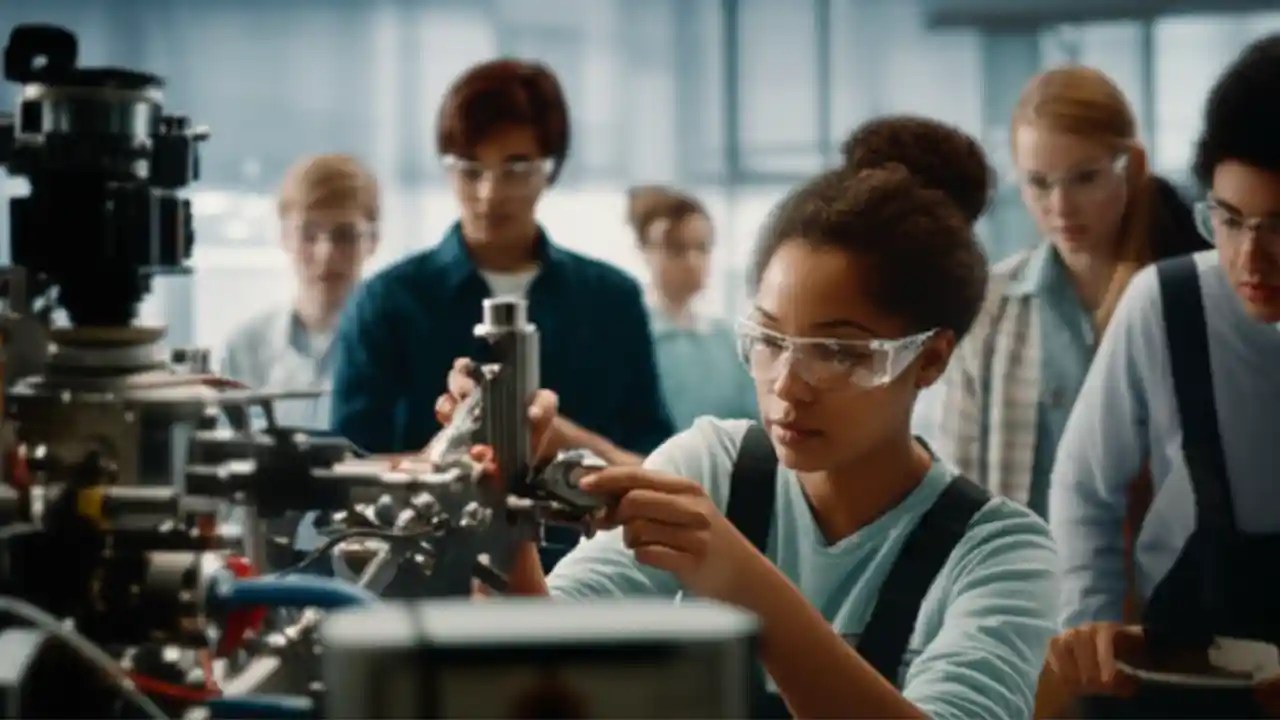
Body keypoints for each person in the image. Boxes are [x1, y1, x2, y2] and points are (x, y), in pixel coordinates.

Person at [440, 118, 1058, 719]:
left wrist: (741, 581)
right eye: (769, 339)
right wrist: (502, 525)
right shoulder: (712, 467)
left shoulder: (998, 554)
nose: (787, 385)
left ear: (930, 359)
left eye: (839, 352)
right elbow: (531, 669)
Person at [330, 58, 674, 573]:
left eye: (515, 168)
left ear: (549, 169)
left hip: (591, 580)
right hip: (423, 581)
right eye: (470, 169)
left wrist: (562, 439)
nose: (490, 193)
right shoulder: (388, 303)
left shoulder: (611, 301)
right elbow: (347, 474)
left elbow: (658, 467)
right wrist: (452, 450)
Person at [1046, 35, 1280, 718]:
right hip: (1185, 682)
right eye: (1229, 220)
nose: (1248, 258)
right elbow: (1085, 488)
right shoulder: (1169, 305)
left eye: (1277, 227)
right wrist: (1087, 624)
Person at [933, 66, 1206, 520]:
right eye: (1039, 183)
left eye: (1085, 178)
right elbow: (960, 484)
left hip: (1166, 580)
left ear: (1133, 166)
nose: (1060, 207)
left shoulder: (1188, 297)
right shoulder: (989, 306)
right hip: (1026, 580)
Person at [221, 153, 379, 430]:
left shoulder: (392, 345)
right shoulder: (245, 348)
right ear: (284, 237)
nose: (326, 254)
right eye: (309, 233)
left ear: (373, 240)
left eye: (344, 235)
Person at [627, 185, 757, 430]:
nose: (692, 262)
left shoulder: (728, 340)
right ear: (645, 251)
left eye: (702, 248)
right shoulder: (631, 336)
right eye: (677, 249)